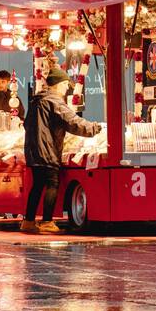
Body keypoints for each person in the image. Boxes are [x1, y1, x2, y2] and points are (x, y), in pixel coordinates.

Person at [21, 68, 101, 235]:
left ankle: (28, 221)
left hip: (34, 150)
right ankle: (47, 221)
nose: (66, 88)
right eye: (65, 84)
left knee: (37, 185)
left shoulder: (36, 101)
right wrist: (94, 128)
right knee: (52, 183)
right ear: (57, 84)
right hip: (47, 149)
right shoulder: (54, 101)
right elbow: (71, 121)